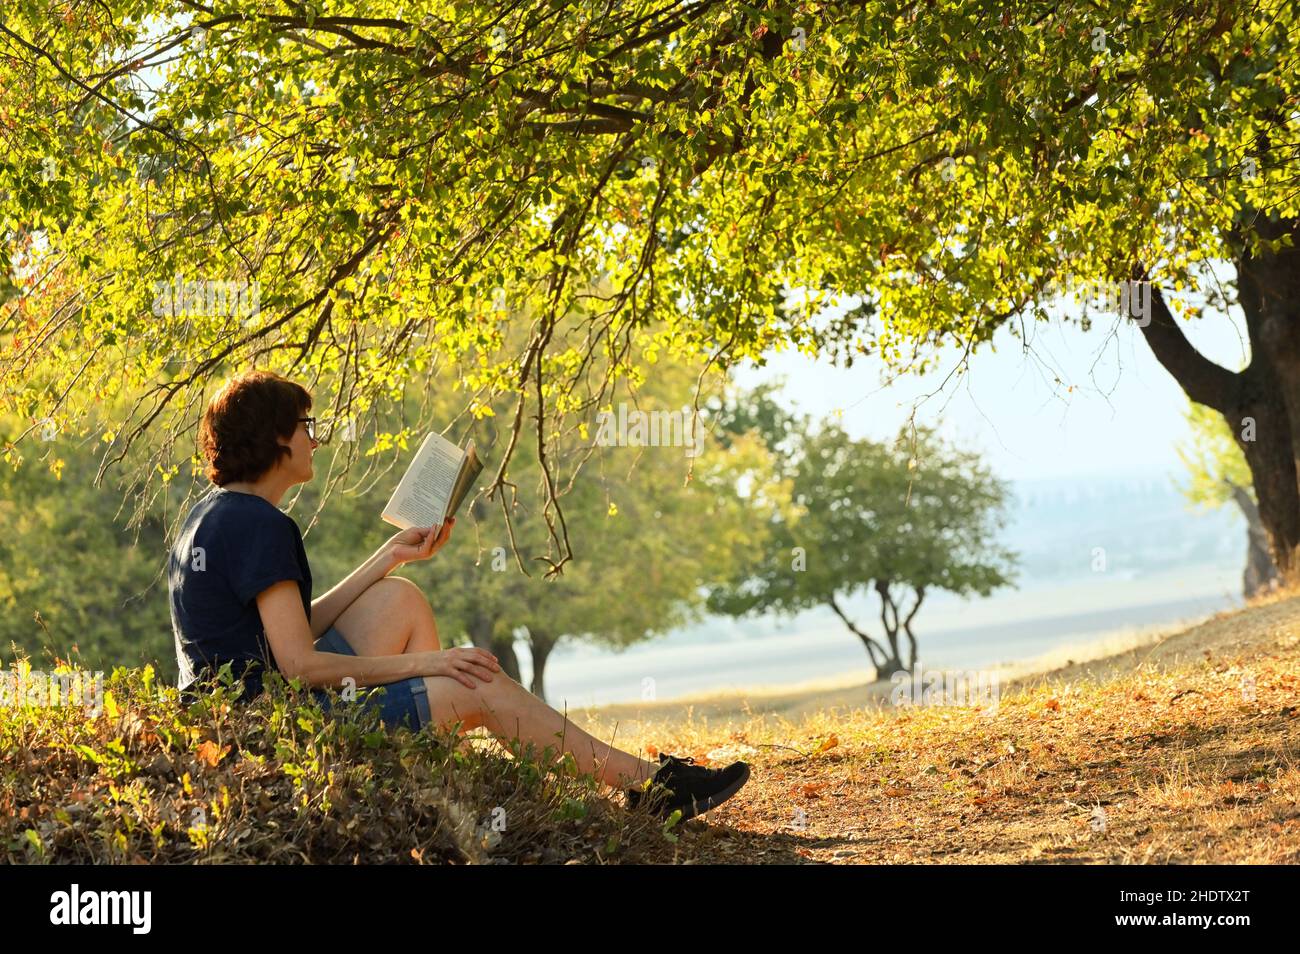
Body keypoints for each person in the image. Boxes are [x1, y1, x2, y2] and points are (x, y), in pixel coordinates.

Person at [168, 369, 750, 821]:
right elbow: (299, 665)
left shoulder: (213, 517)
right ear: (278, 437)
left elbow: (293, 630)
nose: (314, 442)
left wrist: (391, 555)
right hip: (277, 732)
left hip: (243, 720)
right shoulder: (261, 526)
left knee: (400, 597)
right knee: (473, 679)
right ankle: (650, 786)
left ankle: (434, 761)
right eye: (306, 428)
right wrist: (434, 662)